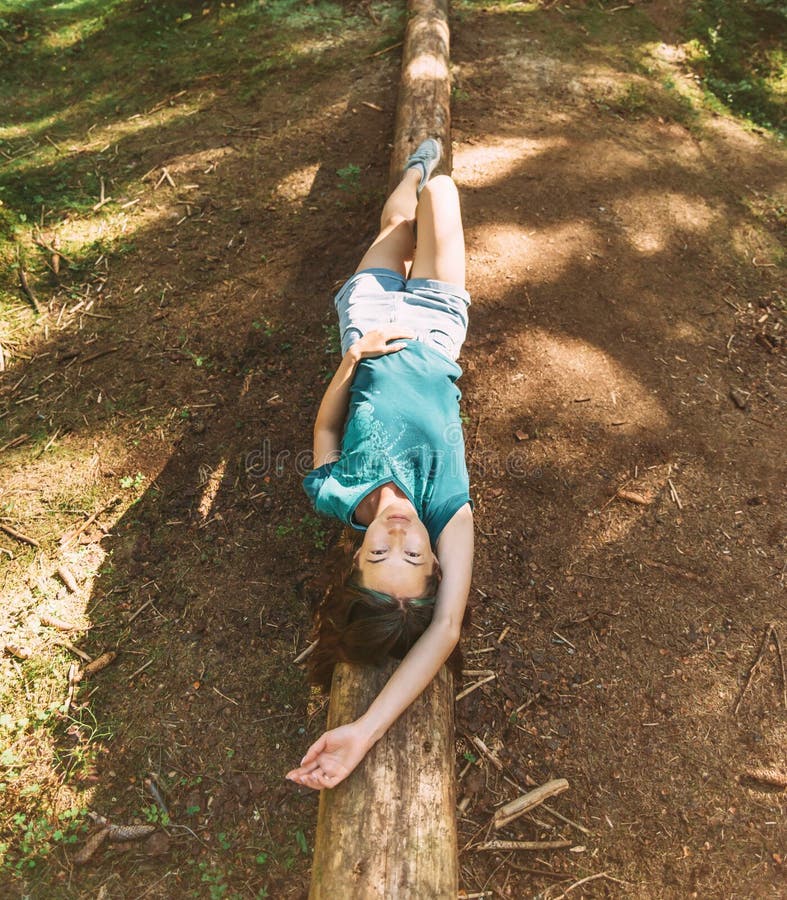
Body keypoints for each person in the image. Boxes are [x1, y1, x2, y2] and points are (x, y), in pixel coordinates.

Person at [286, 140, 474, 791]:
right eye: (414, 558)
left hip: (365, 323)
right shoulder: (446, 505)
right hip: (435, 322)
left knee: (394, 225)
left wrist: (354, 357)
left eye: (378, 556)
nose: (397, 538)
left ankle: (410, 168)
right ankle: (423, 176)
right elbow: (444, 628)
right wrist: (363, 732)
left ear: (354, 555)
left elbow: (325, 426)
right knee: (441, 198)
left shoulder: (337, 496)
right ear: (437, 560)